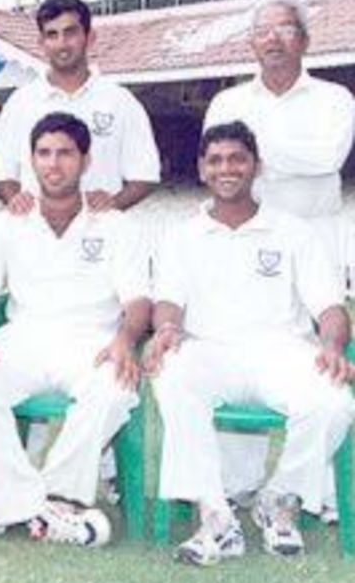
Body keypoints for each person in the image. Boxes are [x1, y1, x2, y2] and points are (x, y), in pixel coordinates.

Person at [145, 121, 355, 565]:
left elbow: (330, 308)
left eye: (238, 158)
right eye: (216, 160)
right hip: (209, 350)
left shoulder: (294, 231)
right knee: (172, 374)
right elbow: (168, 303)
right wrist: (166, 330)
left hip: (282, 351)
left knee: (333, 401)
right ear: (202, 168)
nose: (227, 168)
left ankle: (280, 500)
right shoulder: (181, 235)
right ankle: (215, 517)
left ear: (256, 166)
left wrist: (333, 346)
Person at [0, 112, 150, 548]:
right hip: (24, 337)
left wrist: (125, 339)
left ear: (85, 160)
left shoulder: (116, 225)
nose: (53, 164)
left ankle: (55, 497)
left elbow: (137, 302)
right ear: (31, 160)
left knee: (115, 387)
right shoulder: (5, 223)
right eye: (43, 153)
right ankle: (22, 501)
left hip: (93, 340)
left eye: (64, 154)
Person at [202, 0, 355, 512]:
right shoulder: (227, 103)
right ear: (251, 43)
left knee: (319, 368)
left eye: (285, 29)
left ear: (304, 39)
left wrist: (257, 154)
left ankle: (314, 492)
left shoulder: (335, 99)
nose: (273, 39)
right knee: (240, 348)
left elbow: (327, 157)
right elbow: (219, 168)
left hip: (315, 244)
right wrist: (271, 157)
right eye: (262, 31)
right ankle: (238, 482)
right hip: (243, 245)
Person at [0, 0, 159, 215]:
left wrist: (113, 204)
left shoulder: (120, 101)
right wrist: (17, 203)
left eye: (70, 33)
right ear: (41, 43)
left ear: (89, 37)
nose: (62, 44)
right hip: (36, 234)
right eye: (52, 35)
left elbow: (145, 175)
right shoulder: (20, 103)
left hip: (99, 236)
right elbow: (2, 173)